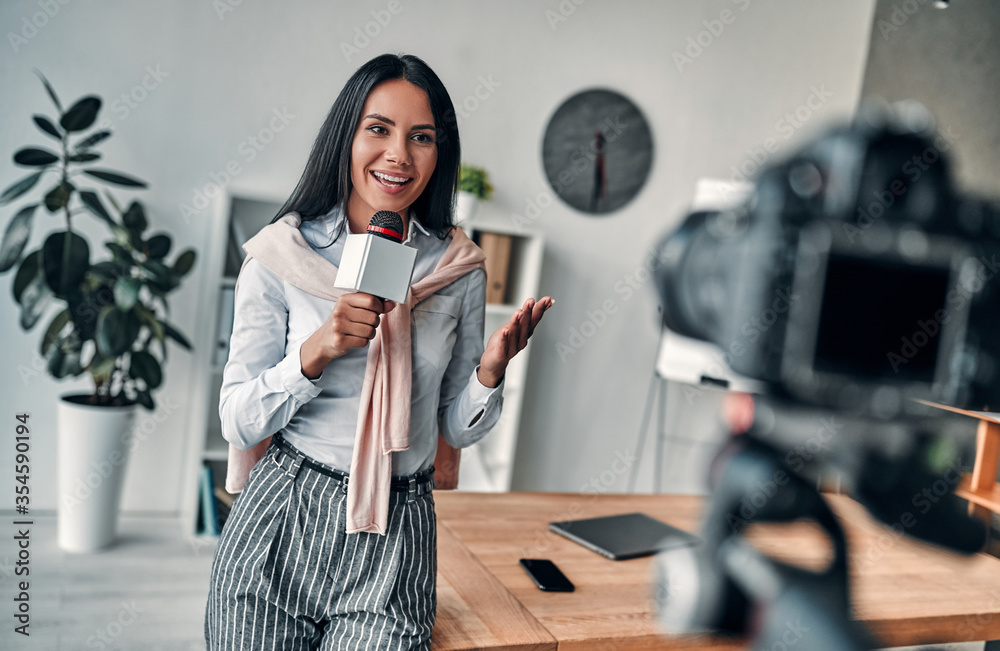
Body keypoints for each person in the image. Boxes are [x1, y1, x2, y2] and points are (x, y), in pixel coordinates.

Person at [204, 53, 552, 650]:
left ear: (439, 153)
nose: (399, 155)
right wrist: (317, 351)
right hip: (282, 516)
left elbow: (453, 427)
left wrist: (489, 374)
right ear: (346, 136)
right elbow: (238, 419)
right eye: (379, 129)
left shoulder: (457, 267)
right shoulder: (280, 255)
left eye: (421, 137)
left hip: (399, 529)